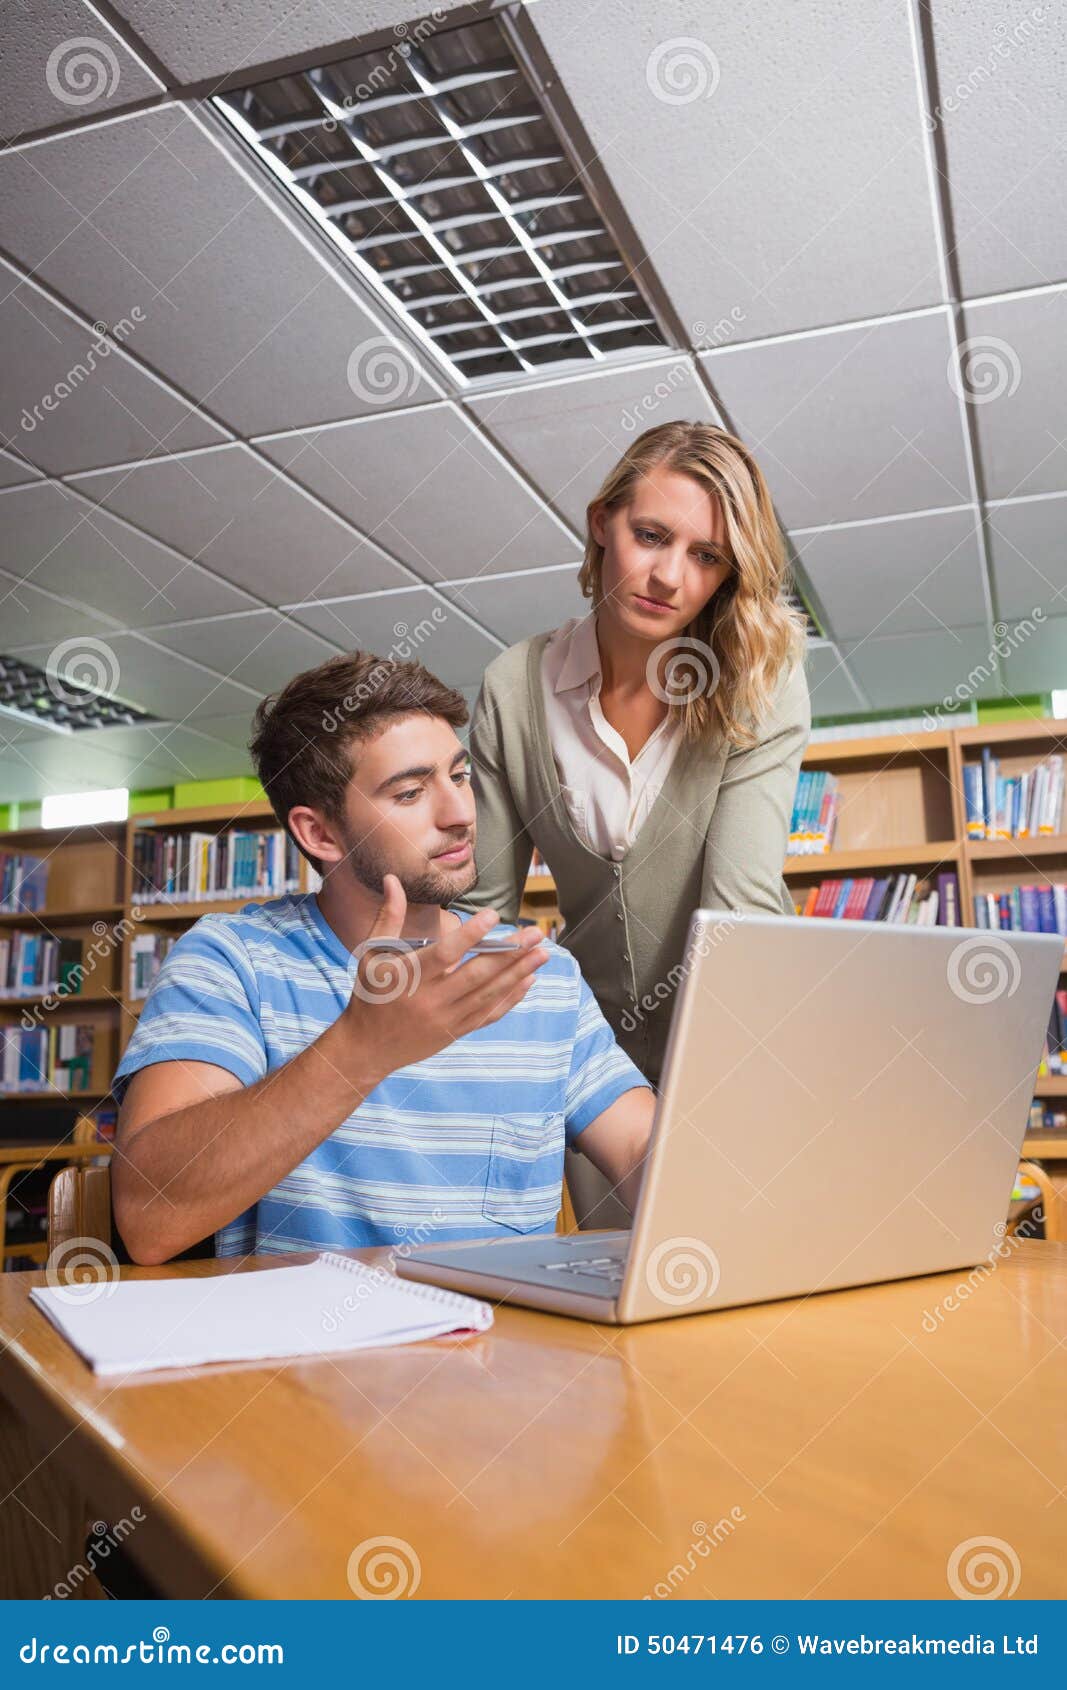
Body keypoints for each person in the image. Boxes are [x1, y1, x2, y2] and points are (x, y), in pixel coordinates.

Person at [110, 653, 654, 1266]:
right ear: (320, 834)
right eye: (412, 792)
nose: (459, 814)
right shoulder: (231, 961)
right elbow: (148, 1219)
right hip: (312, 1355)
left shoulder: (541, 971)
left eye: (460, 775)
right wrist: (361, 1049)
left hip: (511, 1351)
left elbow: (638, 1148)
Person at [459, 421, 810, 1225]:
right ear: (600, 523)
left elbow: (741, 909)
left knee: (762, 1283)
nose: (669, 576)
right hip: (595, 1065)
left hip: (743, 1034)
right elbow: (480, 913)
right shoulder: (514, 686)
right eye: (649, 535)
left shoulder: (760, 678)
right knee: (620, 1294)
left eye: (706, 556)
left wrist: (732, 1101)